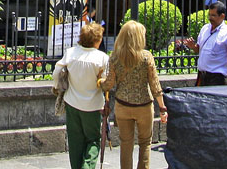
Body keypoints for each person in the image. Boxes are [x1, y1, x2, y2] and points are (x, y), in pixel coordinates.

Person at [99, 21, 167, 169]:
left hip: (123, 105)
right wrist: (162, 108)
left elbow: (109, 84)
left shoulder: (115, 56)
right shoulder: (146, 57)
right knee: (145, 143)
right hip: (144, 106)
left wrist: (100, 82)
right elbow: (155, 84)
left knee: (125, 143)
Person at [53, 22, 109, 169]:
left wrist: (57, 87)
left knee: (75, 141)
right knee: (93, 139)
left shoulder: (71, 53)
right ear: (96, 40)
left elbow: (57, 71)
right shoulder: (101, 58)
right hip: (93, 105)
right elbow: (106, 82)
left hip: (72, 102)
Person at [191, 2, 227, 86]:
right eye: (209, 15)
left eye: (213, 15)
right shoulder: (205, 29)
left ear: (222, 16)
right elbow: (199, 50)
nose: (210, 18)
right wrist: (192, 46)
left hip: (217, 78)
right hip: (202, 76)